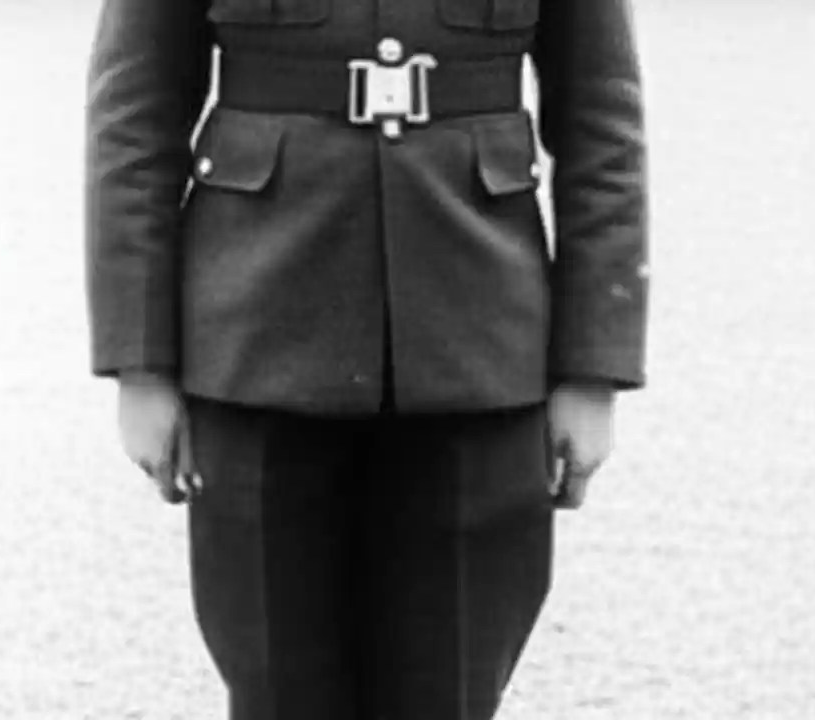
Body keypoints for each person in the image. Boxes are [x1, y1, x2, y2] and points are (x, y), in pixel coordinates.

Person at [85, 1, 648, 718]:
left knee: (449, 698)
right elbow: (133, 119)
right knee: (279, 698)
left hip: (479, 355)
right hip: (256, 347)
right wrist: (142, 366)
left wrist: (591, 372)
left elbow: (604, 125)